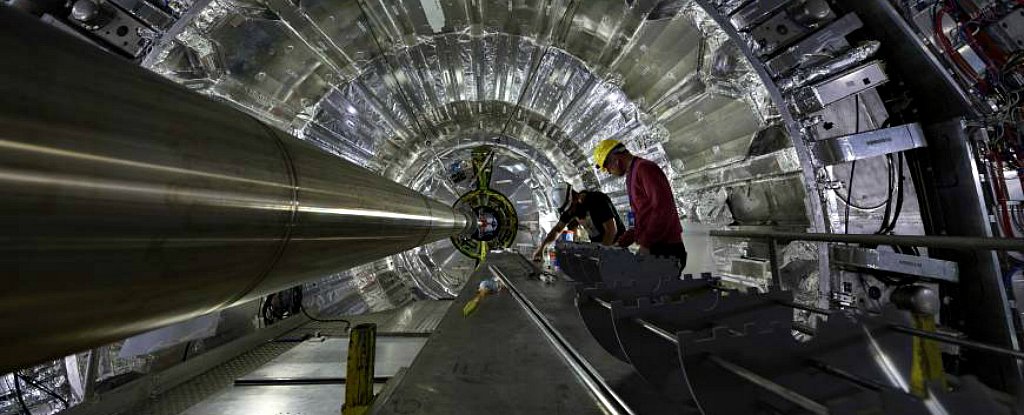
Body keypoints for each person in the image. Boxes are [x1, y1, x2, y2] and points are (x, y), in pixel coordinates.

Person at [592, 139, 687, 266]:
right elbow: (638, 217)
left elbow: (662, 209)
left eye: (607, 167)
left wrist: (646, 244)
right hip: (653, 248)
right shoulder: (631, 175)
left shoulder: (645, 169)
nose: (609, 172)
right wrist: (619, 244)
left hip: (666, 250)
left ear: (616, 159)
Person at [532, 183, 626, 261]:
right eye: (568, 211)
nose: (571, 213)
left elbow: (611, 231)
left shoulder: (598, 200)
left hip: (618, 245)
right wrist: (541, 248)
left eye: (571, 209)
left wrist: (601, 255)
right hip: (599, 247)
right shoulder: (571, 208)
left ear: (576, 197)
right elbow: (557, 230)